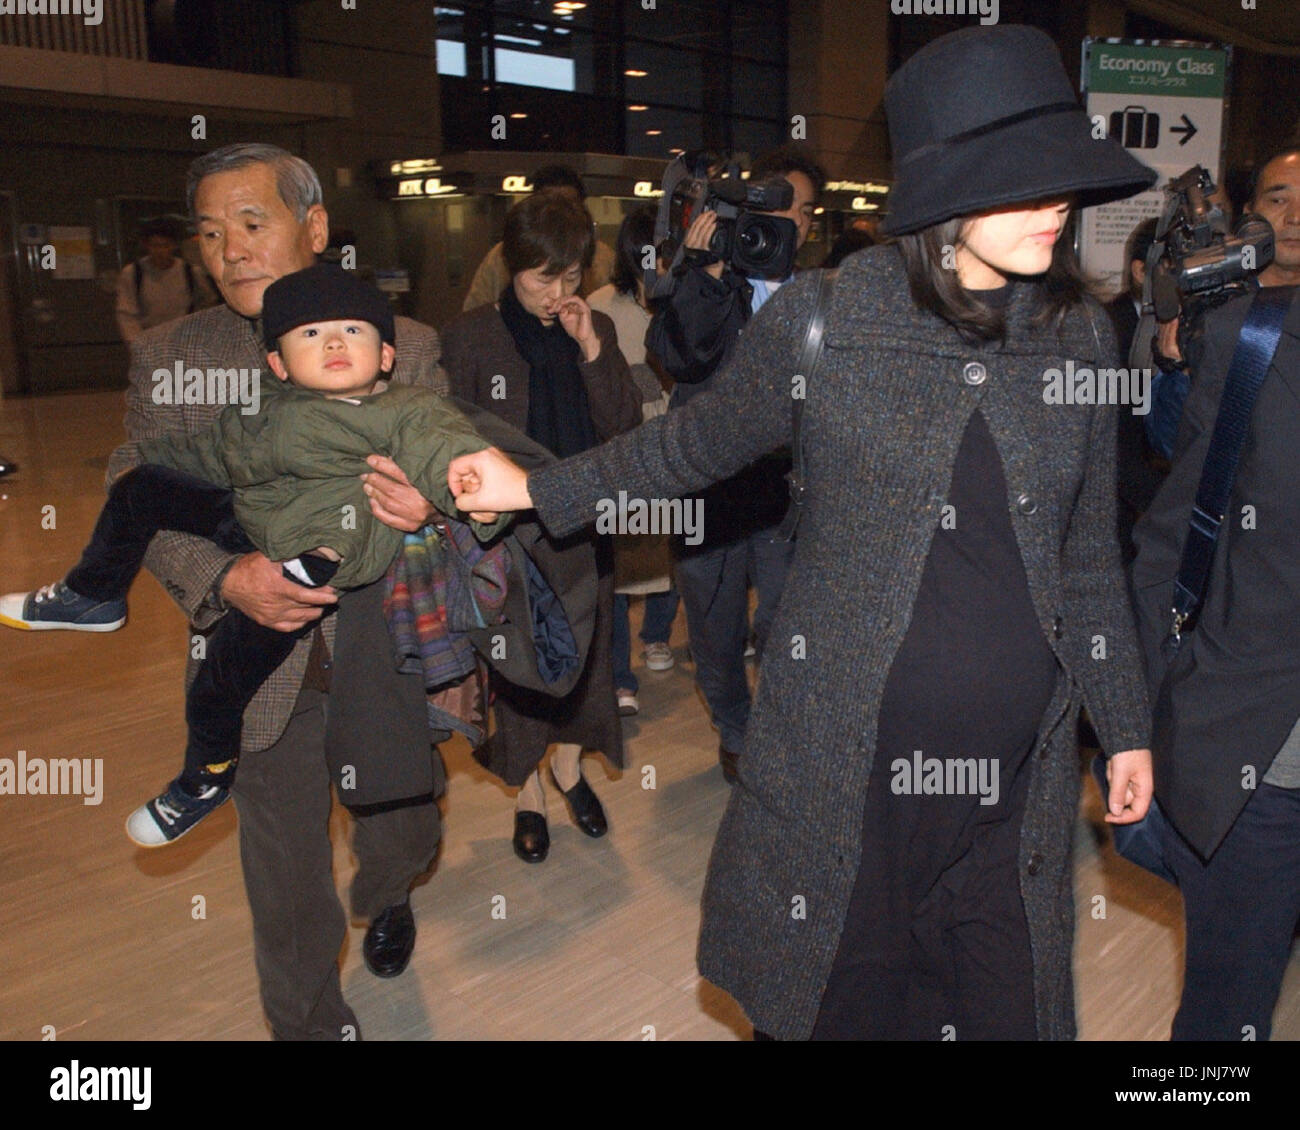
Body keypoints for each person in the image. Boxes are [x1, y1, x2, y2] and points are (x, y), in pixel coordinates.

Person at [447, 24, 1156, 1040]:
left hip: (1013, 788)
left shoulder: (1080, 333)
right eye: (1024, 181)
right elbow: (683, 450)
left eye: (1062, 179)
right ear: (940, 190)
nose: (1057, 203)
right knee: (844, 1005)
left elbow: (1087, 558)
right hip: (849, 775)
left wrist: (1123, 722)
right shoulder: (829, 321)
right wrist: (538, 486)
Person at [100, 142, 450, 1038]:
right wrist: (224, 576)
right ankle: (307, 1023)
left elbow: (461, 482)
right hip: (255, 659)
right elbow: (134, 482)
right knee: (287, 874)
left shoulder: (403, 345)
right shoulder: (174, 357)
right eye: (212, 233)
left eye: (253, 223)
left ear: (316, 228)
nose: (230, 250)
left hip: (384, 648)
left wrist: (431, 506)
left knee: (404, 828)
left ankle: (390, 893)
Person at [1, 265, 507, 847]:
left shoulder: (407, 410)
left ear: (387, 356)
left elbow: (456, 453)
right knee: (139, 490)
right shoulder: (265, 408)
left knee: (219, 683)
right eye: (311, 336)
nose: (335, 342)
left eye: (353, 330)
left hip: (315, 565)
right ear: (279, 364)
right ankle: (94, 595)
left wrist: (474, 499)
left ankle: (201, 779)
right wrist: (151, 462)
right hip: (250, 524)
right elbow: (208, 453)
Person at [437, 189, 641, 863]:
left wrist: (590, 348)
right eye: (543, 276)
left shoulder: (596, 328)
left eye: (572, 276)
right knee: (520, 666)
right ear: (512, 264)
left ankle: (571, 768)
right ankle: (528, 792)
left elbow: (624, 429)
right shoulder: (470, 336)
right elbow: (449, 441)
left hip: (585, 527)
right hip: (512, 540)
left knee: (586, 658)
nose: (558, 292)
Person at [1130, 283, 1300, 1040]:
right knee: (1226, 1022)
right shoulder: (1254, 337)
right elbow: (1173, 537)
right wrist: (1150, 722)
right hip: (1257, 760)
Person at [648, 145, 825, 784]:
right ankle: (735, 729)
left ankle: (778, 733)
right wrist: (704, 272)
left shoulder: (819, 293)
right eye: (777, 206)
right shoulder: (705, 272)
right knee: (714, 630)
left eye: (802, 210)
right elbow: (679, 357)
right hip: (707, 490)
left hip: (787, 490)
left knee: (785, 621)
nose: (791, 220)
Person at [1145, 146, 1300, 458]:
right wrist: (1182, 368)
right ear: (1249, 213)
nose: (1295, 217)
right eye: (1278, 200)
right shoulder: (1211, 309)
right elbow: (1170, 441)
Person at [588, 207, 680, 716]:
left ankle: (659, 634)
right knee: (622, 565)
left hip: (676, 442)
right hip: (622, 448)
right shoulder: (601, 306)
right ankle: (620, 677)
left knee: (675, 548)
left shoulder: (686, 301)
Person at [461, 164, 615, 312]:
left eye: (568, 204)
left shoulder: (601, 256)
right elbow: (475, 310)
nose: (561, 214)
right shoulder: (502, 254)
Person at [1105, 218, 1166, 563]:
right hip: (1117, 524)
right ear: (1141, 272)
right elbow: (1114, 450)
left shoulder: (1189, 329)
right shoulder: (1110, 334)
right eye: (1173, 269)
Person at [115, 218, 215, 343]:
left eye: (165, 246)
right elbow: (127, 313)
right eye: (155, 246)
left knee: (179, 364)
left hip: (181, 342)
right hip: (149, 341)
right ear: (147, 246)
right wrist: (136, 343)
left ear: (173, 246)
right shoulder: (133, 273)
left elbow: (207, 303)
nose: (160, 251)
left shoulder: (190, 272)